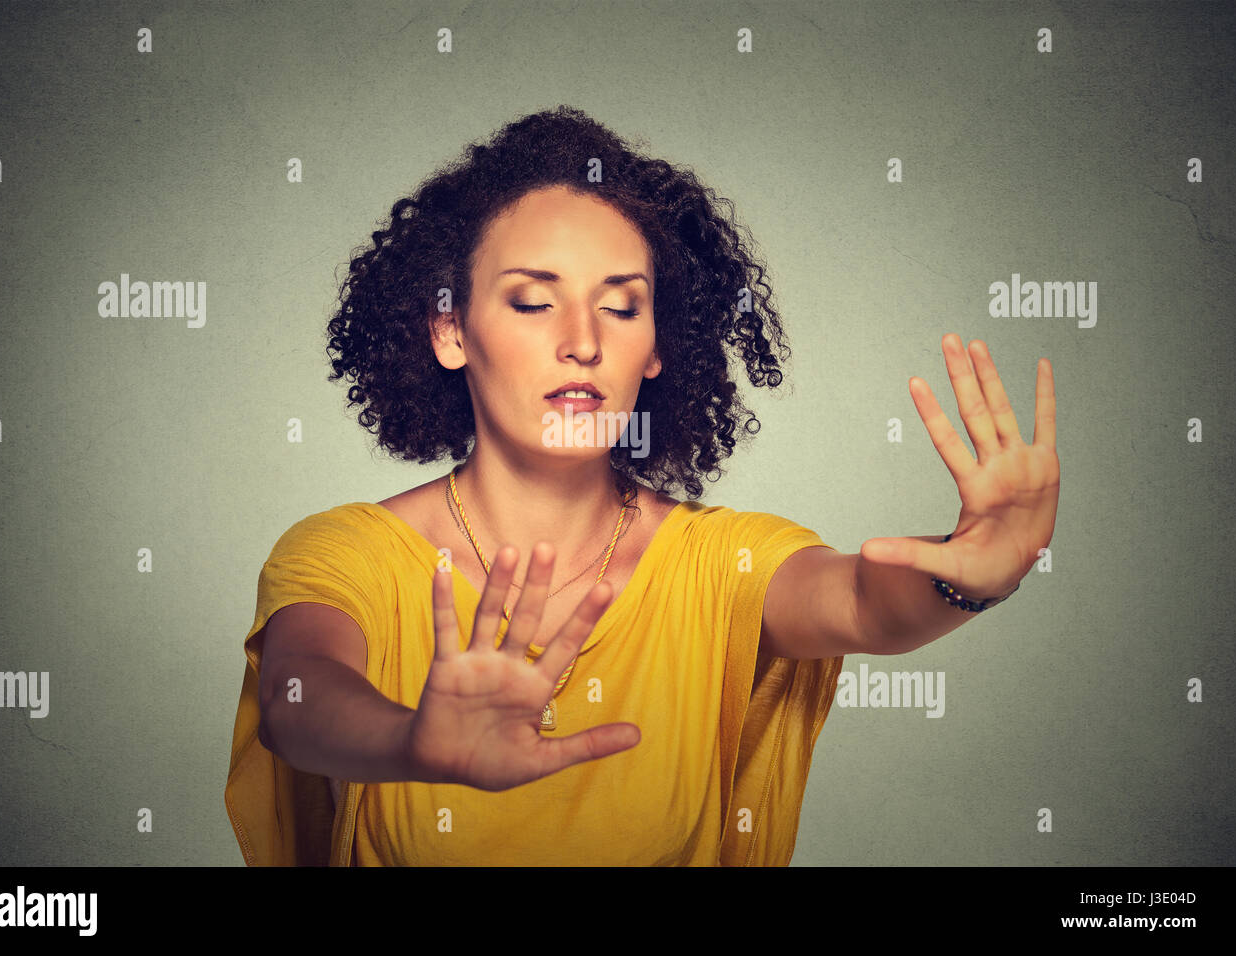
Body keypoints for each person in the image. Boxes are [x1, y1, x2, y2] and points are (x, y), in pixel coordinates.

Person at [224, 106, 1059, 866]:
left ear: (657, 346)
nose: (582, 342)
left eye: (621, 308)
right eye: (531, 303)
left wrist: (972, 569)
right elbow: (298, 701)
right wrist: (409, 740)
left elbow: (865, 605)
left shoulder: (717, 560)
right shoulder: (348, 552)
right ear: (451, 331)